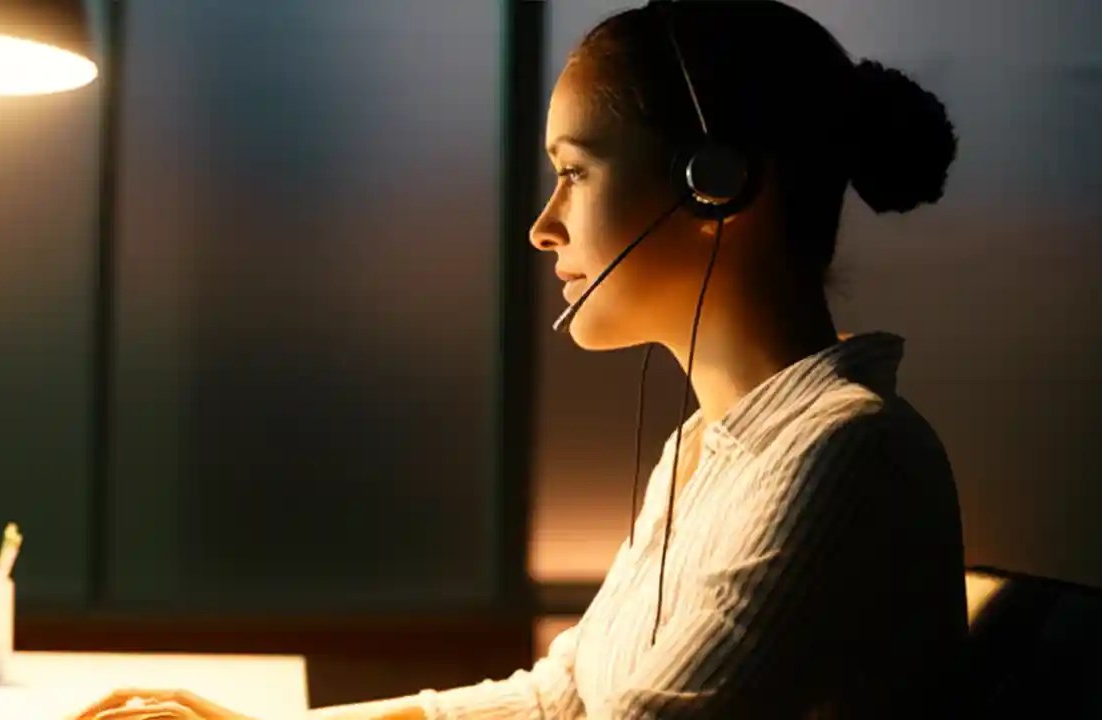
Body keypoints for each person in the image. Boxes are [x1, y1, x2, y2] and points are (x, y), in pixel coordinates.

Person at [73, 1, 966, 718]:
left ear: (716, 184)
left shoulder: (848, 454)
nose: (544, 226)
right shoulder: (713, 450)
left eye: (574, 172)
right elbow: (562, 697)